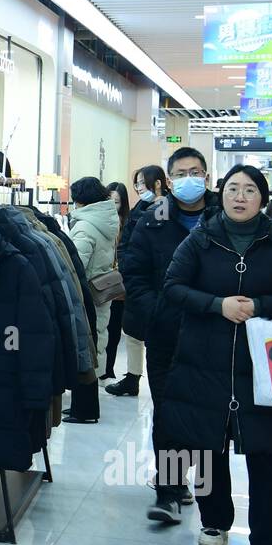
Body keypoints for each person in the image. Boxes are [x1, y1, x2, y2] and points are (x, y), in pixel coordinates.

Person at [161, 164, 272, 545]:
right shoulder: (201, 239)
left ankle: (268, 541)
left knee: (263, 448)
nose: (239, 197)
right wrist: (217, 305)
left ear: (264, 199)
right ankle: (214, 522)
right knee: (209, 444)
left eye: (249, 190)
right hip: (203, 359)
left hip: (263, 366)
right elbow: (173, 287)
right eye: (232, 189)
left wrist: (260, 307)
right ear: (222, 193)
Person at [123, 147, 216, 521]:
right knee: (168, 409)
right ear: (170, 180)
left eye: (195, 172)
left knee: (208, 412)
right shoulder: (153, 219)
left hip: (215, 335)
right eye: (180, 174)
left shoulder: (224, 216)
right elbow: (135, 273)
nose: (188, 179)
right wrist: (158, 312)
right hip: (166, 335)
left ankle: (205, 488)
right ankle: (169, 489)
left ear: (207, 177)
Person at [108, 165, 167, 398]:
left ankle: (157, 380)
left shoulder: (165, 207)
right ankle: (132, 377)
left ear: (158, 183)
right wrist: (125, 263)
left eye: (142, 182)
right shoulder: (141, 206)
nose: (139, 187)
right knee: (132, 333)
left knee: (157, 335)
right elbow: (128, 241)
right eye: (137, 183)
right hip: (136, 279)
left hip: (158, 282)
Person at [68, 177, 121, 385]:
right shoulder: (107, 220)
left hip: (87, 292)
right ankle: (95, 384)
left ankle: (87, 395)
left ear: (81, 201)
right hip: (103, 288)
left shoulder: (84, 227)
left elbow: (76, 266)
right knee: (100, 332)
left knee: (88, 338)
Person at [103, 181, 131, 382]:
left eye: (117, 202)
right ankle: (102, 367)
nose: (113, 206)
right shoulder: (102, 223)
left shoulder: (127, 225)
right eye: (110, 201)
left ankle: (108, 368)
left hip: (118, 284)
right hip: (102, 281)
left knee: (113, 329)